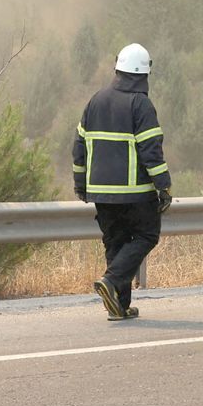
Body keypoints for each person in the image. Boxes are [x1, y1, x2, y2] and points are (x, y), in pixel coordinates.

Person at [71, 42, 173, 322]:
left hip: (101, 194)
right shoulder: (140, 104)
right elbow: (151, 148)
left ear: (117, 68)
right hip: (135, 193)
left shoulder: (95, 100)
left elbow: (79, 147)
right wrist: (163, 185)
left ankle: (120, 306)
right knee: (146, 236)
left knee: (116, 244)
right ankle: (112, 280)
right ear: (144, 74)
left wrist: (81, 184)